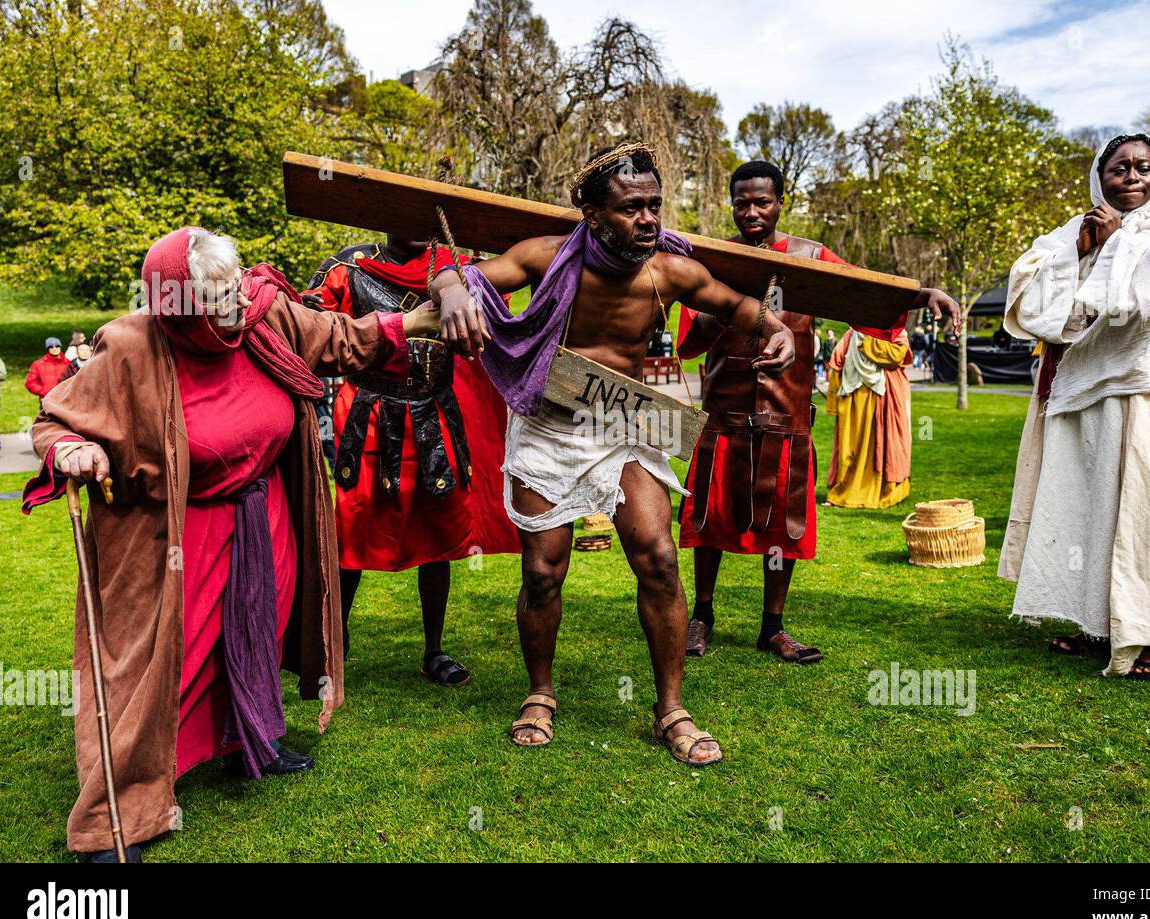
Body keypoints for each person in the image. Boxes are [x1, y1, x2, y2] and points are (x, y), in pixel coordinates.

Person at [21, 226, 416, 862]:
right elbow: (54, 420)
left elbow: (343, 338)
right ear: (176, 302)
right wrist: (75, 447)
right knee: (156, 666)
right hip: (175, 532)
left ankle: (248, 742)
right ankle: (119, 812)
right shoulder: (129, 346)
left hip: (265, 514)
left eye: (232, 281)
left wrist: (417, 319)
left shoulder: (263, 320)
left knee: (258, 632)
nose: (235, 297)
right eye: (215, 292)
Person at [430, 143, 796, 766]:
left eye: (656, 205)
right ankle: (540, 694)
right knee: (543, 572)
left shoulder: (669, 269)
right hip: (548, 422)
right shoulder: (546, 256)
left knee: (657, 556)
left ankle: (671, 708)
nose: (649, 220)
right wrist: (451, 288)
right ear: (593, 214)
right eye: (632, 209)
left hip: (627, 420)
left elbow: (733, 303)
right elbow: (463, 275)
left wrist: (775, 328)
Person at [676, 160, 959, 662]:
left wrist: (923, 294)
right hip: (724, 415)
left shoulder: (810, 257)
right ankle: (701, 616)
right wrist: (715, 306)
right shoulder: (714, 259)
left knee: (784, 528)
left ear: (781, 201)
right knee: (710, 521)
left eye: (762, 201)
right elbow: (689, 345)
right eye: (741, 202)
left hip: (786, 418)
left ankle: (773, 627)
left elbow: (865, 293)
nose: (751, 212)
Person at [998, 133, 1150, 679]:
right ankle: (1094, 623)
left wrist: (1116, 243)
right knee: (1091, 510)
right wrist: (1083, 250)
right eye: (1118, 168)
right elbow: (1033, 290)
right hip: (1095, 389)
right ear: (1099, 177)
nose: (1131, 177)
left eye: (1143, 167)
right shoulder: (1077, 229)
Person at [303, 233, 519, 681]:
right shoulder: (347, 267)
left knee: (435, 531)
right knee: (353, 530)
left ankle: (434, 651)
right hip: (369, 411)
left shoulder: (459, 270)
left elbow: (521, 269)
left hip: (435, 413)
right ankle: (335, 642)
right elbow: (311, 326)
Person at [823, 325, 913, 509]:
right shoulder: (851, 333)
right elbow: (836, 361)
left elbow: (897, 355)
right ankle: (847, 488)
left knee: (880, 442)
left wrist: (869, 339)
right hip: (853, 395)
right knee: (851, 444)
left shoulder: (893, 330)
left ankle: (881, 488)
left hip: (882, 395)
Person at [25, 337, 69, 403]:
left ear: (60, 347)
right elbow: (30, 382)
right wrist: (44, 392)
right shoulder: (38, 364)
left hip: (64, 400)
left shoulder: (68, 363)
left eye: (57, 346)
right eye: (51, 347)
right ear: (47, 349)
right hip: (47, 400)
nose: (54, 349)